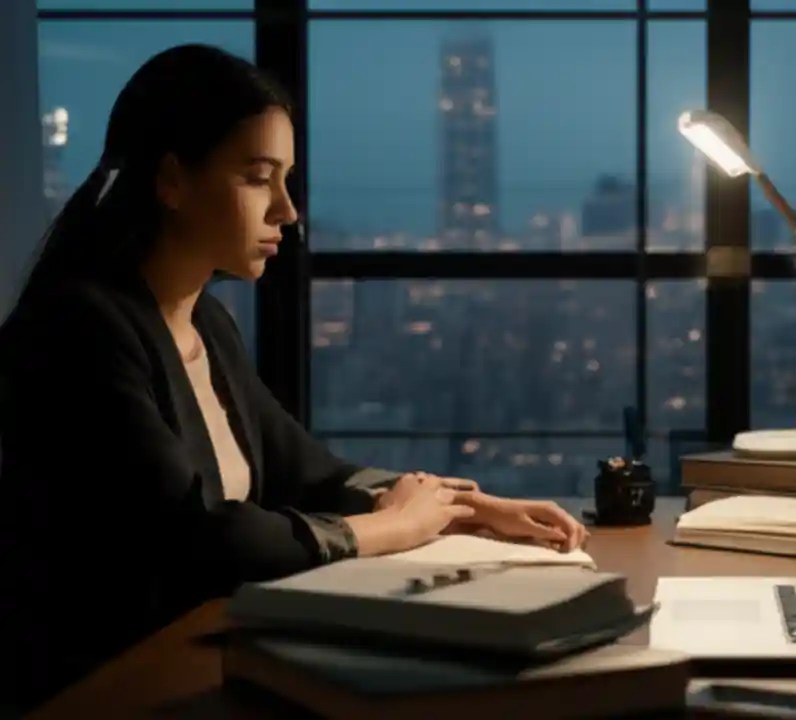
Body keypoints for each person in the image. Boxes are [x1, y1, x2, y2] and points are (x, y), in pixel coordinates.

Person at [0, 44, 587, 710]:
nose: (287, 210)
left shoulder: (207, 325)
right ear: (171, 180)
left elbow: (306, 472)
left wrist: (462, 510)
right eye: (259, 177)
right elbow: (197, 539)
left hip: (206, 655)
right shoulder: (81, 329)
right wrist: (390, 530)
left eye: (286, 180)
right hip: (110, 686)